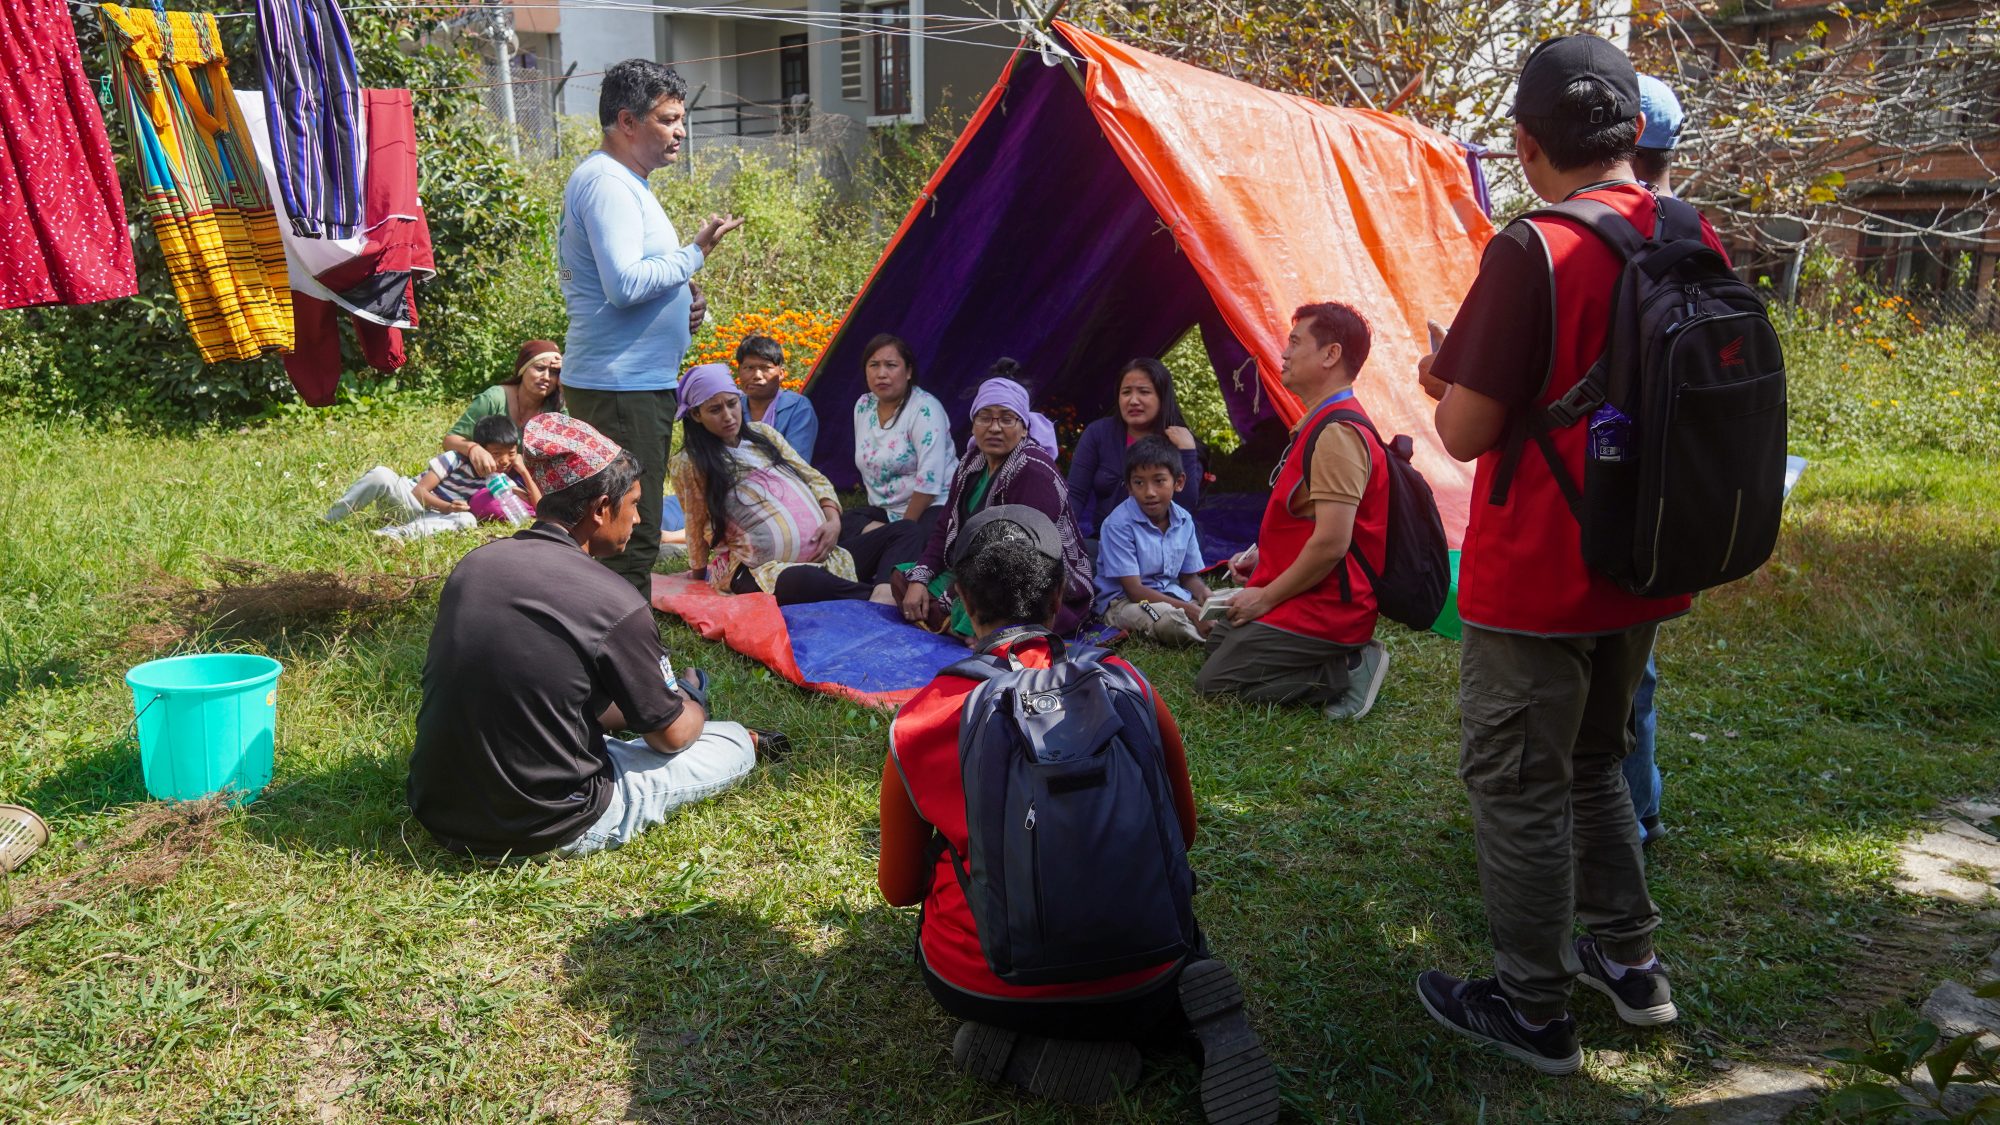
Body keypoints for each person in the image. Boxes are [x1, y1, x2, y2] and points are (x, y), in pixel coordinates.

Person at [1412, 34, 1724, 1074]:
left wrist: (1437, 376)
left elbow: (1462, 430)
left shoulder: (1531, 248)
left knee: (1516, 781)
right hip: (1642, 558)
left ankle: (1532, 1007)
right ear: (1633, 132)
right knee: (1593, 759)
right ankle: (1628, 964)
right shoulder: (1686, 231)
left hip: (1539, 571)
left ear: (1522, 140)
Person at [877, 507, 1279, 1122]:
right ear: (1063, 593)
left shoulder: (923, 719)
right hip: (1148, 972)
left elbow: (899, 889)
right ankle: (1175, 1014)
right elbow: (1182, 834)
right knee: (1170, 959)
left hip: (982, 986)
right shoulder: (1129, 686)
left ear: (956, 597)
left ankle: (1018, 1038)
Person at [407, 413, 776, 859]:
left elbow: (546, 687)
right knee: (726, 740)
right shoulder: (615, 601)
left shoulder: (474, 566)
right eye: (635, 504)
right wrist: (690, 698)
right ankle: (744, 741)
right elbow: (672, 737)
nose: (639, 519)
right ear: (601, 508)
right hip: (549, 821)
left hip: (438, 808)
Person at [559, 58, 745, 596]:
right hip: (622, 387)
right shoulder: (608, 184)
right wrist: (695, 254)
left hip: (632, 383)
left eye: (681, 118)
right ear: (627, 121)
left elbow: (639, 282)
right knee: (627, 532)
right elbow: (623, 285)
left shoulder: (626, 182)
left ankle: (608, 646)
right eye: (667, 119)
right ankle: (626, 660)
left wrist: (690, 302)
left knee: (618, 524)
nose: (680, 130)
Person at [1194, 303, 1391, 721]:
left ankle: (1346, 668)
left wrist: (1265, 597)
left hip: (1328, 608)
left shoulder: (1338, 433)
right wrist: (1264, 560)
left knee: (1216, 684)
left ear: (1330, 355)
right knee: (1216, 639)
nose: (1283, 353)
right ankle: (1318, 656)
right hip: (1305, 593)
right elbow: (1306, 521)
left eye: (1295, 341)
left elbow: (1332, 544)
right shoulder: (1317, 423)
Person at [898, 365, 1092, 638]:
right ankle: (955, 619)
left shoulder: (1032, 471)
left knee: (990, 616)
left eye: (1007, 419)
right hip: (975, 572)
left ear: (1024, 429)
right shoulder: (970, 463)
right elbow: (945, 526)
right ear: (974, 424)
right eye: (985, 418)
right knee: (904, 581)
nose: (995, 428)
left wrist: (955, 593)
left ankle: (968, 623)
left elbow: (1021, 558)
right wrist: (922, 578)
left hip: (1028, 583)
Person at [669, 364, 878, 605]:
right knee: (805, 580)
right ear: (696, 415)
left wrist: (833, 521)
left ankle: (882, 591)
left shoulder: (763, 434)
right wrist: (697, 576)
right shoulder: (689, 461)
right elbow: (694, 519)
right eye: (715, 409)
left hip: (823, 554)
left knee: (904, 532)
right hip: (757, 570)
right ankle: (875, 596)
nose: (727, 416)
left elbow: (813, 477)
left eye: (732, 403)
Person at [1626, 70, 1684, 846]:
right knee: (1637, 671)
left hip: (1606, 484)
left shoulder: (1618, 232)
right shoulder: (1694, 229)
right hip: (1675, 494)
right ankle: (1643, 807)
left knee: (1610, 682)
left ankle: (1621, 826)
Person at [325, 414, 541, 542]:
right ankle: (330, 520)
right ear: (481, 450)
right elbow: (418, 492)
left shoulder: (497, 479)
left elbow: (537, 506)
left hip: (431, 518)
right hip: (407, 501)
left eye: (511, 453)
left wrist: (522, 471)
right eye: (496, 454)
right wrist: (447, 507)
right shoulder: (455, 459)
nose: (504, 461)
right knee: (381, 474)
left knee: (467, 520)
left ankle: (394, 534)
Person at [1093, 436, 1213, 647]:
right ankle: (1211, 636)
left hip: (1173, 596)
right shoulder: (1118, 524)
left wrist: (1207, 597)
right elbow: (1135, 590)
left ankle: (1209, 625)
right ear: (1129, 487)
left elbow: (1188, 577)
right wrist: (1193, 610)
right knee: (1168, 620)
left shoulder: (1183, 519)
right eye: (1139, 483)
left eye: (1159, 481)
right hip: (1126, 604)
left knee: (1233, 600)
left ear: (1179, 482)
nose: (1149, 492)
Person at [1065, 358, 1203, 539]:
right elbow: (1075, 494)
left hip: (1166, 544)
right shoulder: (1098, 433)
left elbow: (1185, 507)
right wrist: (1056, 539)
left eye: (1144, 392)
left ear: (1162, 398)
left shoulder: (1181, 441)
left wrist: (1187, 452)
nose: (1133, 400)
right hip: (1108, 541)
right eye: (1126, 392)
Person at [850, 334, 954, 526]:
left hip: (931, 507)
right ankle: (881, 536)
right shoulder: (864, 405)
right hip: (885, 510)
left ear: (908, 372)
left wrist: (902, 529)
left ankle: (883, 537)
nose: (881, 374)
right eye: (874, 365)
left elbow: (929, 485)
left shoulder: (926, 410)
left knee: (911, 545)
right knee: (841, 526)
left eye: (891, 365)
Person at [442, 339, 564, 477]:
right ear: (523, 369)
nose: (547, 377)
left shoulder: (556, 409)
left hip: (524, 484)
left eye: (554, 372)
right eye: (540, 368)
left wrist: (566, 387)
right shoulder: (494, 399)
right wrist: (473, 449)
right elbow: (450, 440)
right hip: (478, 476)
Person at [734, 334, 819, 462]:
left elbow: (797, 463)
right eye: (749, 368)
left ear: (781, 373)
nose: (757, 375)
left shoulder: (797, 407)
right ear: (739, 371)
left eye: (765, 368)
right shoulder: (733, 408)